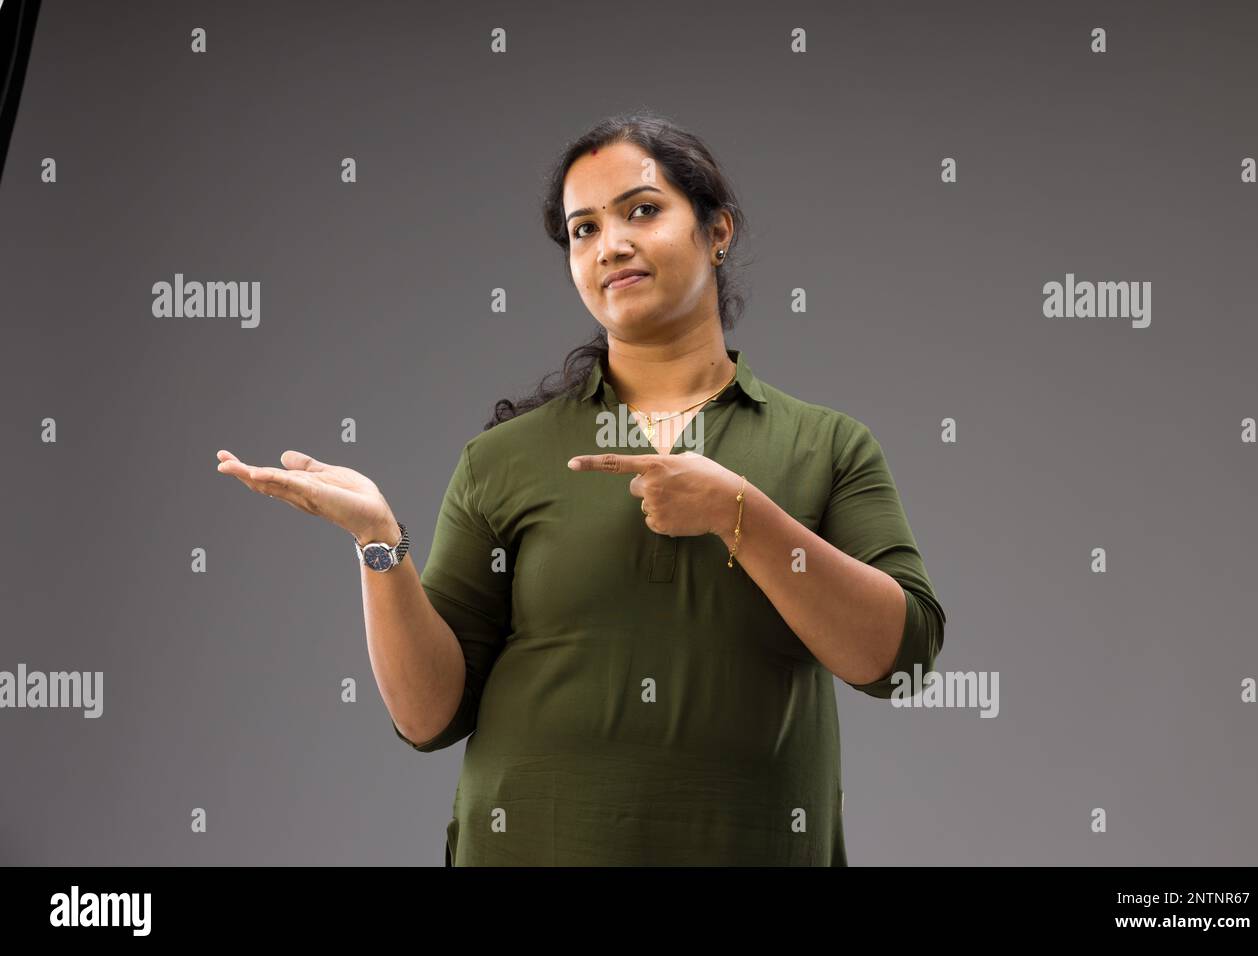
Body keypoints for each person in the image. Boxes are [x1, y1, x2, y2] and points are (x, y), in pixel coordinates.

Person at [216, 111, 946, 866]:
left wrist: (740, 515)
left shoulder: (826, 446)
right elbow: (428, 717)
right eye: (583, 230)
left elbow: (904, 661)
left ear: (718, 231)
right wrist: (379, 543)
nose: (612, 244)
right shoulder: (503, 460)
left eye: (642, 210)